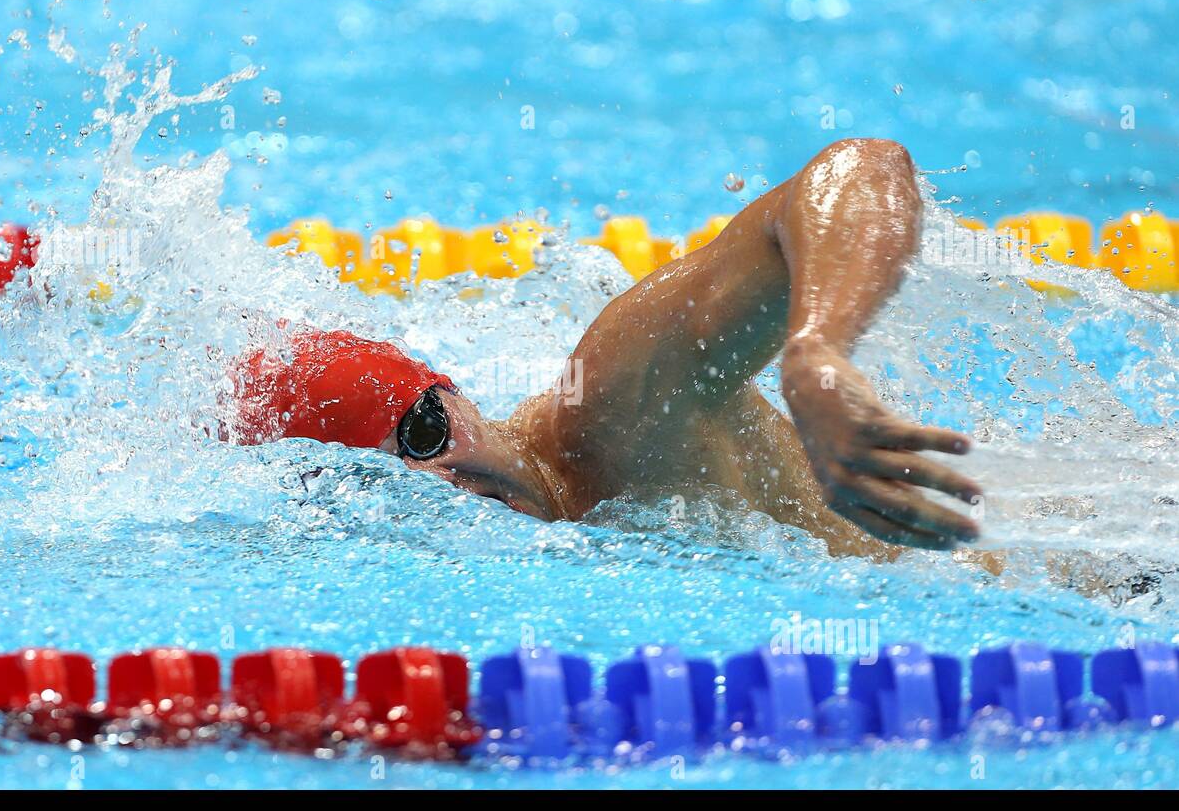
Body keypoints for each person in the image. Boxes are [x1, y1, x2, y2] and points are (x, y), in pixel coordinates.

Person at [229, 138, 983, 560]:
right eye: (386, 484)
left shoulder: (614, 403)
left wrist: (817, 347)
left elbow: (862, 168)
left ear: (453, 392)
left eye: (426, 432)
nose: (445, 483)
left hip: (1045, 569)